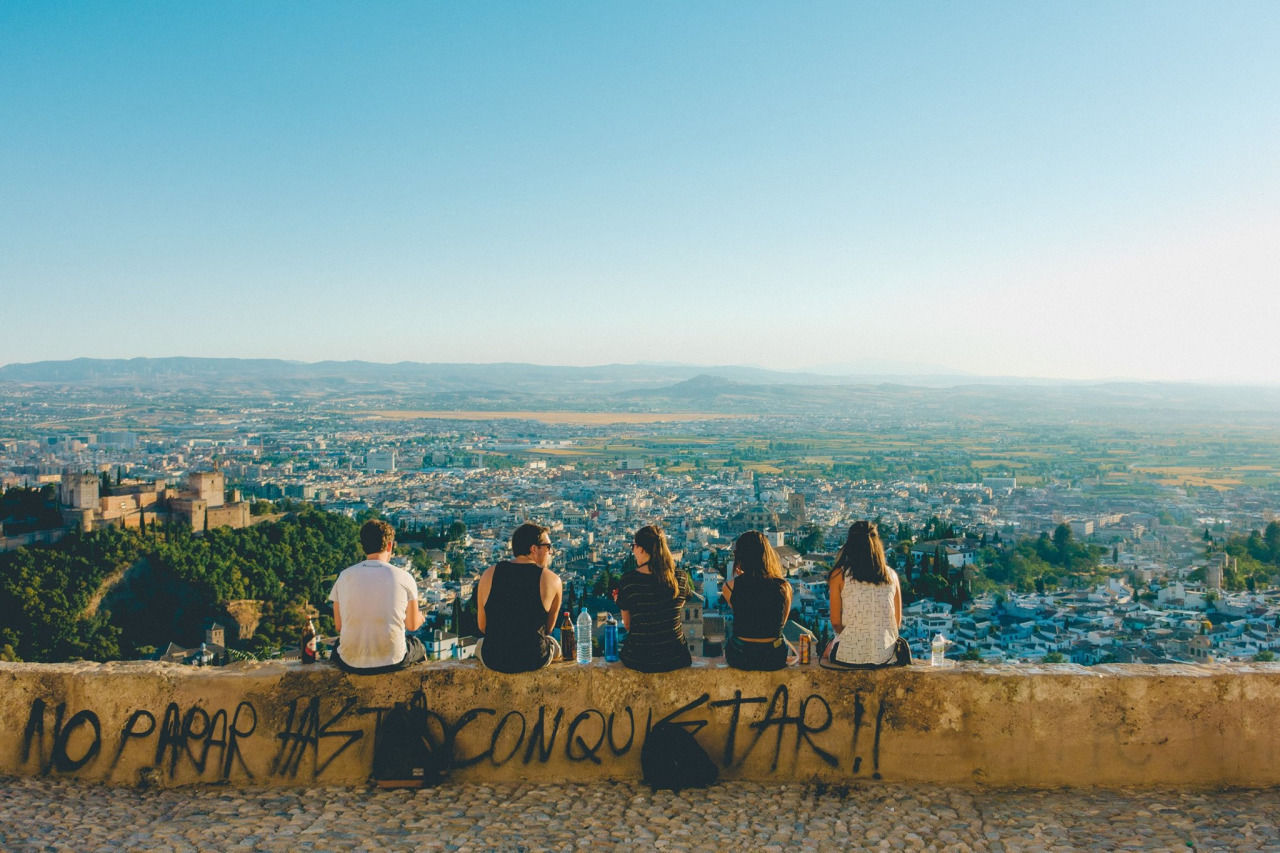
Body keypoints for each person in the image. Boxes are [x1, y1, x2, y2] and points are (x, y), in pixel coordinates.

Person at [329, 519, 426, 674]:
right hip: (392, 661)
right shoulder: (404, 577)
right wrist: (420, 618)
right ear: (389, 545)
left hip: (350, 662)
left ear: (364, 546)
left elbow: (339, 626)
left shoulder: (344, 576)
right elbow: (412, 625)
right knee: (417, 645)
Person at [474, 522, 563, 672]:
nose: (550, 552)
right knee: (554, 644)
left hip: (495, 658)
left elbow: (483, 627)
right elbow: (547, 629)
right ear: (534, 549)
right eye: (548, 547)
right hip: (533, 658)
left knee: (479, 645)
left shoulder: (489, 574)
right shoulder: (552, 580)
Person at [825, 520, 908, 667]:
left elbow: (836, 622)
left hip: (849, 656)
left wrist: (854, 637)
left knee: (825, 651)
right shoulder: (892, 576)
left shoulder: (840, 575)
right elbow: (896, 621)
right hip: (886, 656)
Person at [617, 524, 694, 672]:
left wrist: (624, 601)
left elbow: (628, 625)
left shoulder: (629, 581)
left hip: (640, 659)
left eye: (633, 546)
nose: (633, 550)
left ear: (641, 549)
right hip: (675, 657)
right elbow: (675, 608)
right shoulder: (680, 578)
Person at [722, 530, 793, 671]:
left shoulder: (729, 587)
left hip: (741, 656)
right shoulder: (784, 587)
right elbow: (780, 624)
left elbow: (742, 615)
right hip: (773, 657)